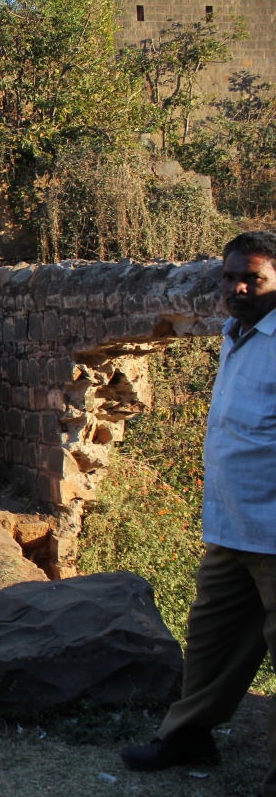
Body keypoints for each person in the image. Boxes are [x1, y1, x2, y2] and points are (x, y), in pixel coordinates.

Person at [120, 230, 276, 796]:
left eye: (253, 278)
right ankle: (188, 736)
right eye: (230, 276)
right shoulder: (240, 333)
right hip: (234, 527)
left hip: (274, 531)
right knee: (211, 638)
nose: (237, 287)